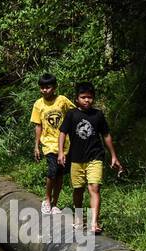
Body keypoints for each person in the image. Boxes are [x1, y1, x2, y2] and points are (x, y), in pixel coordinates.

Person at [57, 82, 123, 235]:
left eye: (90, 97)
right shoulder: (71, 114)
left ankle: (94, 222)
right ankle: (79, 218)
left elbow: (106, 135)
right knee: (78, 190)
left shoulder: (98, 115)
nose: (87, 100)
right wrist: (61, 152)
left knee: (94, 188)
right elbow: (62, 133)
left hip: (95, 157)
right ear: (77, 98)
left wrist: (113, 155)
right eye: (83, 97)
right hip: (76, 159)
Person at [30, 72, 74, 215]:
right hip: (48, 144)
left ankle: (55, 203)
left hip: (64, 144)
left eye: (47, 87)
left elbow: (74, 114)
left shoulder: (62, 100)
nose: (44, 90)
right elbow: (38, 126)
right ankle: (47, 200)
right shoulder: (38, 104)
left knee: (60, 174)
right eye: (42, 87)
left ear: (54, 88)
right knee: (52, 171)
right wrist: (36, 146)